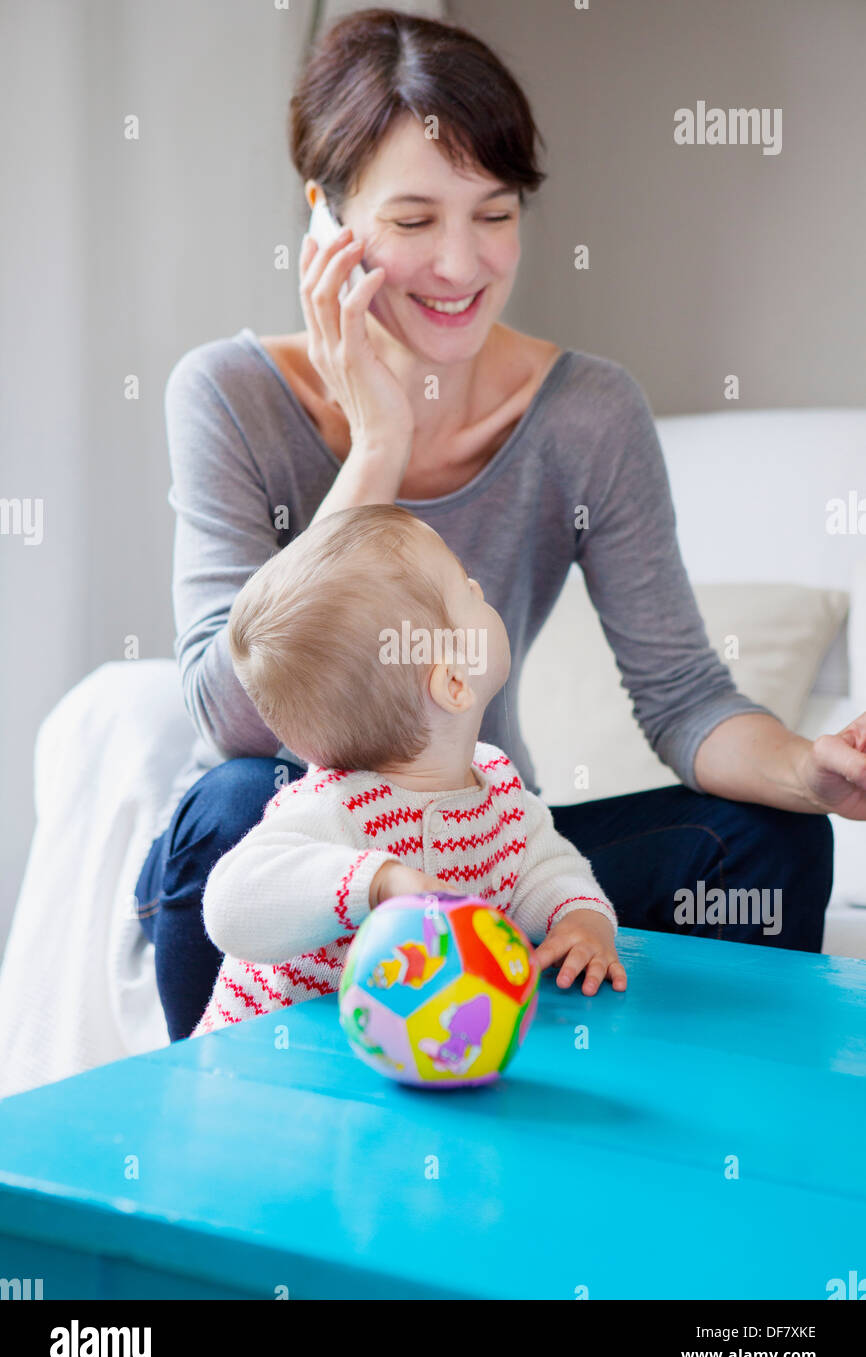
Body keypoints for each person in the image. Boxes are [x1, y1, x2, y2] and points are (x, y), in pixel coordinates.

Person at [137, 8, 851, 1044]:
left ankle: (675, 1131)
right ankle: (225, 1127)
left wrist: (805, 770)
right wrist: (376, 446)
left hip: (480, 850)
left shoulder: (585, 410)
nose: (462, 264)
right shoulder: (227, 393)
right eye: (415, 219)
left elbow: (682, 696)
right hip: (298, 853)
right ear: (326, 222)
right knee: (236, 797)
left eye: (495, 212)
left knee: (766, 839)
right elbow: (234, 719)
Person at [191, 503, 624, 1038]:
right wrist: (377, 883)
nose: (480, 588)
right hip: (262, 1073)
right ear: (455, 683)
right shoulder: (335, 807)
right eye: (466, 592)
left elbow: (547, 871)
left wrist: (580, 918)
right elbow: (231, 905)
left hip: (391, 1066)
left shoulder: (498, 788)